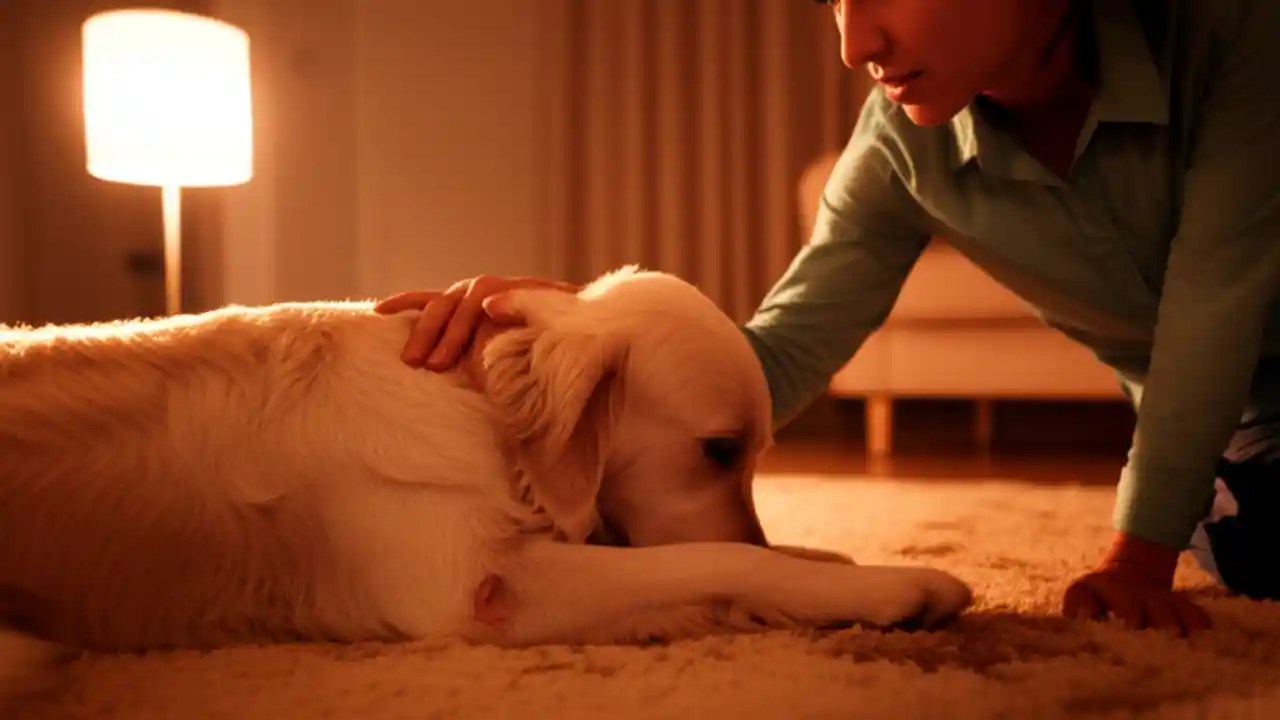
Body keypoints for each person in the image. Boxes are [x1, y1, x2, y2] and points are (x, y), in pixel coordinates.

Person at [373, 0, 1280, 636]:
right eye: (832, 0)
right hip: (1249, 464)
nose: (853, 43)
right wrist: (569, 338)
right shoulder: (898, 148)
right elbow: (772, 361)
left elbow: (1216, 304)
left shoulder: (1238, 35)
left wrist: (1138, 553)